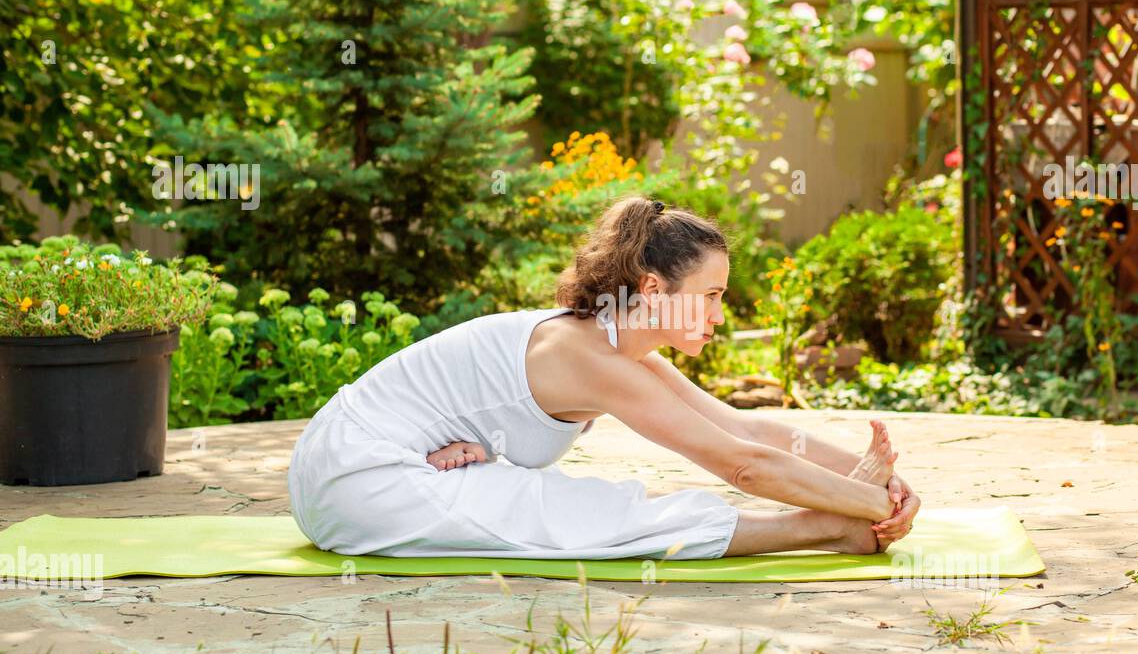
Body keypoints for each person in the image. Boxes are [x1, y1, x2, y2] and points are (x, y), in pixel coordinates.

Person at [287, 195, 920, 560]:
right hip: (350, 476)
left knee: (558, 500)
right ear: (652, 288)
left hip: (406, 463)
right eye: (710, 295)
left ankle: (837, 522)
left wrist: (882, 478)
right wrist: (867, 505)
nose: (719, 316)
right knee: (574, 511)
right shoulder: (590, 354)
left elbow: (738, 427)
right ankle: (821, 529)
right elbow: (741, 467)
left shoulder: (623, 344)